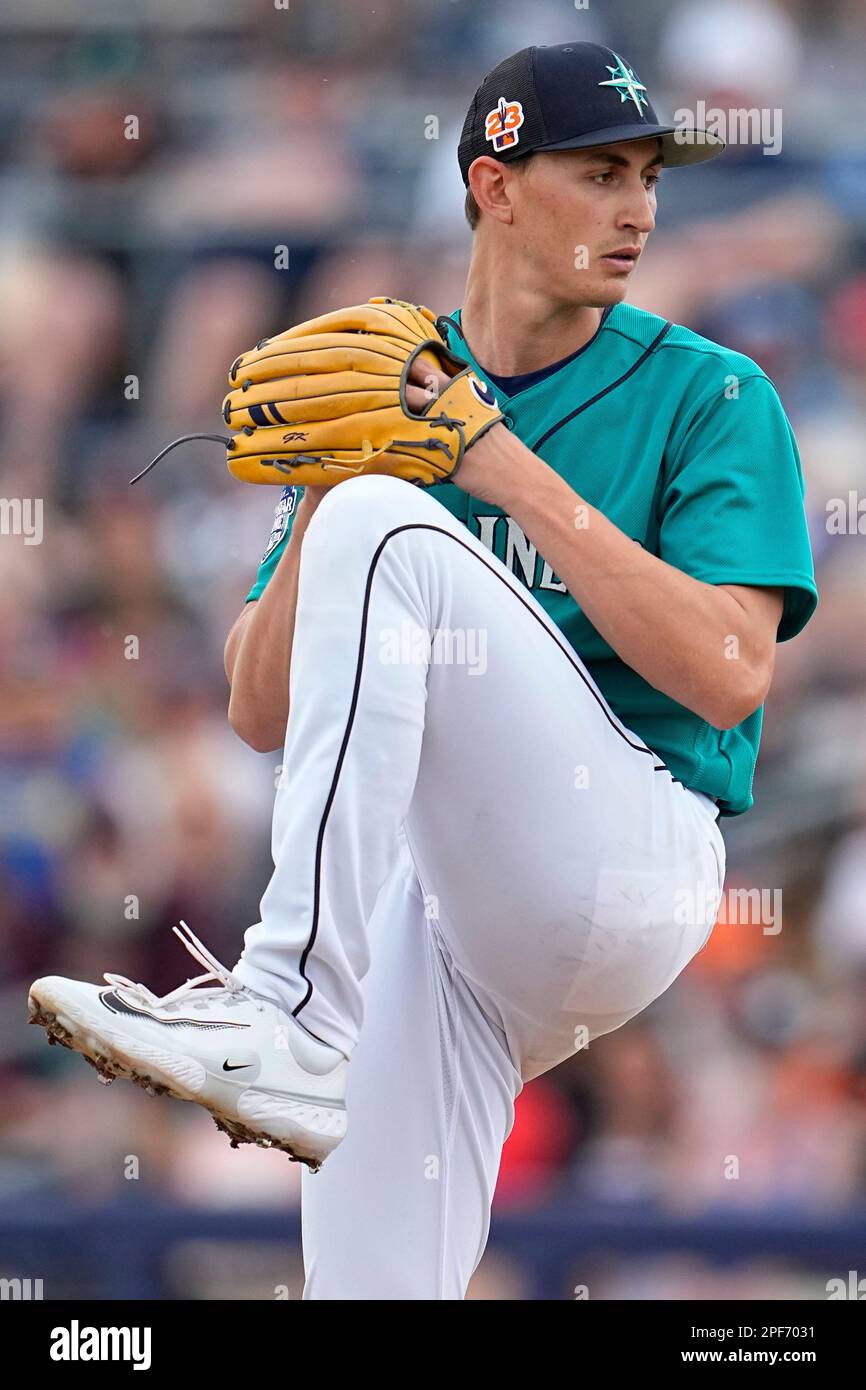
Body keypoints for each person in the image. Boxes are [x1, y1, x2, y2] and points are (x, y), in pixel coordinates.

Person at [29, 42, 817, 1299]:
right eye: (598, 172)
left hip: (629, 851)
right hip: (444, 912)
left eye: (647, 177)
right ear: (493, 186)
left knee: (382, 525)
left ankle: (285, 1008)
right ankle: (298, 1023)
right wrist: (333, 478)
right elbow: (253, 707)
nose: (637, 209)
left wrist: (492, 469)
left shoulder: (710, 393)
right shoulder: (398, 379)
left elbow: (730, 675)